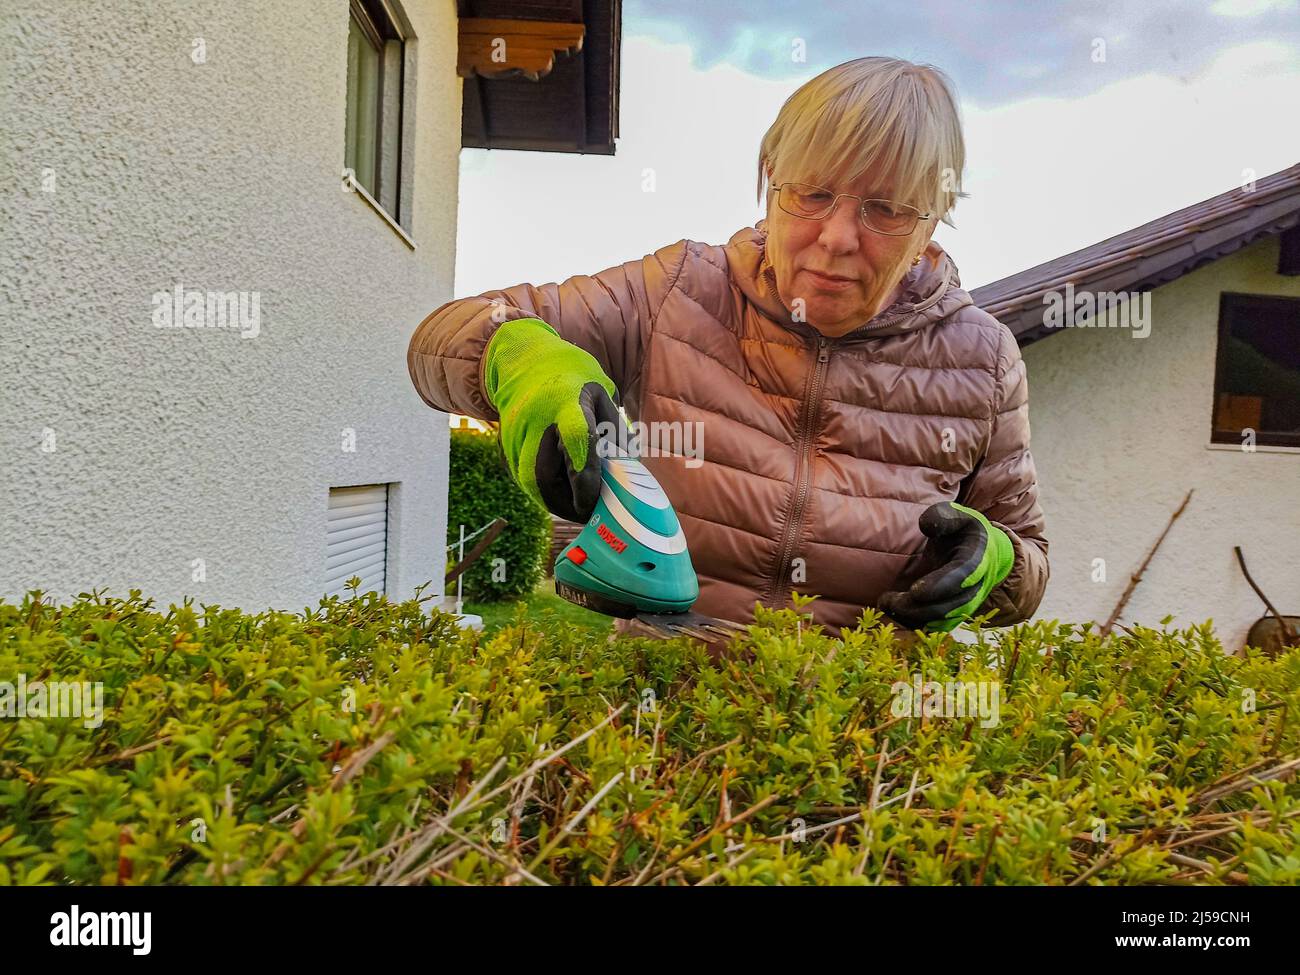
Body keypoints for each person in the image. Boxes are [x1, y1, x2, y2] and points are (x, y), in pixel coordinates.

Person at [409, 56, 1048, 640]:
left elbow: (1026, 561)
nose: (836, 237)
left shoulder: (983, 360)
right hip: (666, 718)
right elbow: (446, 333)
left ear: (933, 217)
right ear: (772, 180)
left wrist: (991, 562)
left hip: (859, 733)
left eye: (887, 209)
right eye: (812, 193)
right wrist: (525, 361)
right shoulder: (679, 291)